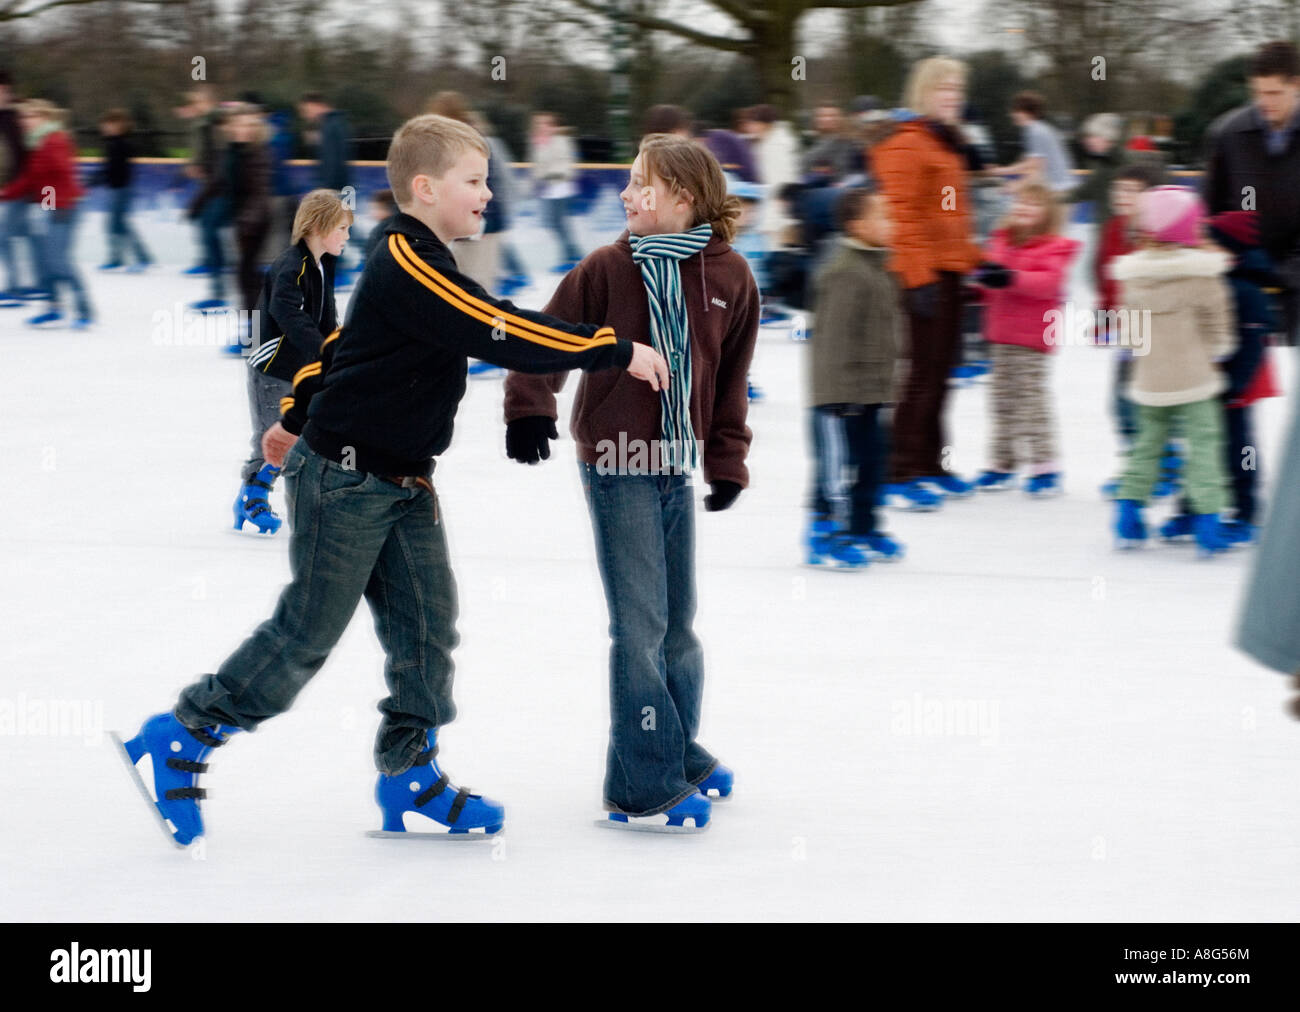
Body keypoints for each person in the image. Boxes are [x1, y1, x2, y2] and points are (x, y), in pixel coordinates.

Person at [113, 113, 669, 848]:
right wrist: (611, 348)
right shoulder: (409, 262)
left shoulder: (417, 263)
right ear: (425, 186)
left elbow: (342, 348)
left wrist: (296, 411)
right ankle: (181, 736)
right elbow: (495, 328)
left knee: (427, 634)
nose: (487, 194)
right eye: (474, 182)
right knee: (305, 635)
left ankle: (410, 776)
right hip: (346, 481)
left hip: (404, 483)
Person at [503, 133, 758, 832]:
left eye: (639, 182)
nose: (624, 194)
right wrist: (530, 406)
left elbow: (731, 382)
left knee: (679, 627)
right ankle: (643, 782)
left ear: (683, 194)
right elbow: (542, 335)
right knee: (641, 626)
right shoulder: (607, 269)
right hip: (616, 463)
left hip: (675, 462)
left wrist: (727, 459)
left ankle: (672, 747)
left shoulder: (730, 277)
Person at [870, 56, 983, 508]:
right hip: (922, 275)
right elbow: (902, 217)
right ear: (923, 92)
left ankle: (931, 461)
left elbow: (950, 219)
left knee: (941, 373)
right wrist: (918, 279)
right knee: (920, 372)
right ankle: (900, 468)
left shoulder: (947, 144)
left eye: (957, 88)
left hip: (950, 271)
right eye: (943, 88)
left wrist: (981, 260)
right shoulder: (907, 145)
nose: (952, 96)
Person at [1110, 186, 1236, 556]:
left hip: (1149, 381)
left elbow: (1130, 334)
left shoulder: (1132, 278)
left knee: (1147, 446)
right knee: (1204, 446)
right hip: (1196, 379)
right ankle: (1208, 525)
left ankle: (1128, 517)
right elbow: (1219, 328)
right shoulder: (1202, 276)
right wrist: (1215, 353)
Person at [1159, 211, 1279, 545]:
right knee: (1199, 447)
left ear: (1231, 252)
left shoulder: (1247, 291)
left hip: (1238, 384)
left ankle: (1246, 512)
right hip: (1204, 380)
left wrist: (1235, 386)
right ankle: (1191, 508)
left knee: (1240, 448)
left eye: (1208, 244)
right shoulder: (1209, 282)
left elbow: (1254, 345)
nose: (1200, 248)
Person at [237, 189, 352, 535]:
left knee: (302, 434)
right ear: (319, 226)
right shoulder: (292, 264)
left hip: (300, 368)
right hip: (271, 366)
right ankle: (251, 496)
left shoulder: (319, 266)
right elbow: (285, 312)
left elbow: (326, 319)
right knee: (271, 433)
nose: (347, 237)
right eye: (342, 229)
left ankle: (305, 498)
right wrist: (322, 350)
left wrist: (340, 349)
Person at [805, 188, 904, 570]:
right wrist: (833, 398)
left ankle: (863, 526)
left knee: (871, 461)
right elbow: (831, 340)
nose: (890, 224)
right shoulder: (844, 272)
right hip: (838, 397)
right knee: (833, 467)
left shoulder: (877, 268)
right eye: (883, 217)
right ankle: (824, 531)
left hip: (870, 392)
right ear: (857, 225)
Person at [969, 182, 1080, 496]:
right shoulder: (1001, 241)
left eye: (1033, 205)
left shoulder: (1054, 246)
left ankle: (1045, 466)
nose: (1024, 209)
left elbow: (1047, 282)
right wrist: (977, 285)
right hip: (1001, 335)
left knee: (1031, 402)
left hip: (1032, 336)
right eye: (1020, 203)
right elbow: (990, 280)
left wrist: (1011, 277)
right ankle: (1002, 463)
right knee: (1002, 402)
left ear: (1047, 215)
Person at [1203, 40, 1300, 346]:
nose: (1264, 102)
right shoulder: (1227, 134)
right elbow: (1210, 211)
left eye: (1274, 93)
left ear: (1296, 85)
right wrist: (1222, 254)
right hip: (1242, 283)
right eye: (1258, 92)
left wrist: (1287, 273)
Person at [1095, 162, 1165, 494]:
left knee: (1150, 402)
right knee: (1121, 402)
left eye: (1133, 191)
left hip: (1155, 328)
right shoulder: (1113, 229)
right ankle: (1136, 465)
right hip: (1127, 329)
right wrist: (1103, 319)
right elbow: (1106, 282)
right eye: (1120, 189)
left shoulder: (1160, 234)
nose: (1123, 196)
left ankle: (1160, 468)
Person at [0, 99, 92, 329]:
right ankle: (53, 307)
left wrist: (51, 198)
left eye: (31, 117)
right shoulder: (37, 143)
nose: (25, 122)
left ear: (45, 118)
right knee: (43, 258)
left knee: (58, 260)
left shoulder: (56, 139)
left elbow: (63, 170)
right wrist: (4, 194)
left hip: (66, 206)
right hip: (50, 204)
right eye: (24, 118)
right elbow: (30, 180)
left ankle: (85, 310)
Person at [298, 92, 354, 279]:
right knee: (342, 226)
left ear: (317, 105)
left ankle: (343, 264)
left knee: (338, 227)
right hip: (341, 186)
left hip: (337, 187)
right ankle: (345, 262)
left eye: (307, 110)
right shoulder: (331, 125)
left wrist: (327, 189)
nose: (306, 115)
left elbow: (333, 160)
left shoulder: (331, 126)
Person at [0, 68, 43, 306]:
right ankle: (40, 283)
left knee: (4, 236)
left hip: (23, 188)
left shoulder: (19, 117)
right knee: (30, 235)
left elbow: (34, 156)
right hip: (16, 188)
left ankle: (16, 287)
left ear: (3, 89)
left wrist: (45, 197)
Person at [176, 86, 226, 283]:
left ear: (209, 102)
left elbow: (220, 154)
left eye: (199, 102)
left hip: (218, 182)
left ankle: (216, 264)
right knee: (204, 223)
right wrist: (195, 165)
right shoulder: (202, 123)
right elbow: (202, 151)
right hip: (209, 179)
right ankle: (212, 261)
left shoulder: (215, 123)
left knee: (209, 225)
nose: (195, 106)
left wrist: (205, 168)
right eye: (194, 103)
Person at [96, 109, 154, 273]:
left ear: (118, 125)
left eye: (108, 124)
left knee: (120, 224)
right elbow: (108, 167)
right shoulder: (111, 143)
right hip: (115, 188)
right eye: (104, 124)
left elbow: (116, 168)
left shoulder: (122, 144)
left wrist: (100, 177)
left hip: (121, 189)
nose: (104, 128)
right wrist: (99, 178)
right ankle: (116, 258)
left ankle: (143, 258)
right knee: (113, 225)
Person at [992, 91, 1076, 198]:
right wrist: (1004, 172)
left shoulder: (1034, 131)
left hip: (1058, 191)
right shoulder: (1039, 128)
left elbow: (1035, 166)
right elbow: (1028, 163)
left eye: (1015, 110)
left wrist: (1015, 184)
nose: (1012, 115)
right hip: (1060, 188)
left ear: (1025, 112)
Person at [529, 111, 583, 271]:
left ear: (553, 127)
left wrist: (547, 173)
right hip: (547, 191)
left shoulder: (561, 141)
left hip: (561, 189)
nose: (542, 127)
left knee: (559, 225)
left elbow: (565, 165)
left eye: (545, 124)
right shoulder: (539, 143)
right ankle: (574, 253)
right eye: (539, 124)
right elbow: (538, 167)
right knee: (553, 224)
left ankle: (568, 258)